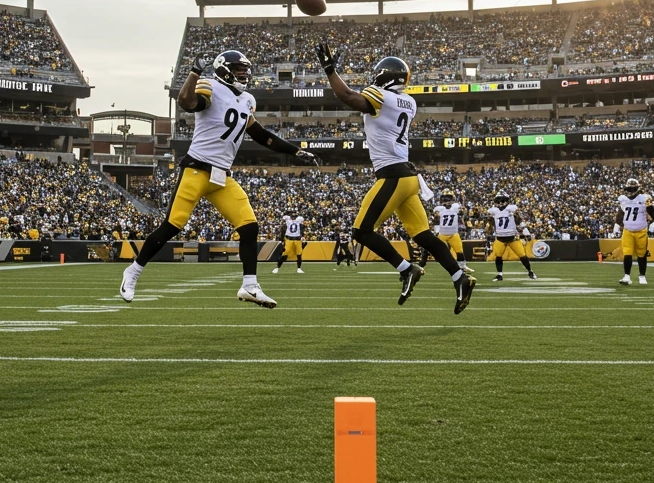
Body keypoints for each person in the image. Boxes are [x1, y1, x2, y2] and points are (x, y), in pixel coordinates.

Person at [119, 50, 318, 307]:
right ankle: (133, 271)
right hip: (197, 169)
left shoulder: (247, 100)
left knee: (249, 226)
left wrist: (296, 151)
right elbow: (187, 103)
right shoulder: (210, 87)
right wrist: (194, 72)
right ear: (224, 70)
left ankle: (249, 286)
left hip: (222, 175)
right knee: (173, 225)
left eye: (245, 70)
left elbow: (261, 135)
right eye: (238, 70)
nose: (244, 74)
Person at [316, 42, 475, 313]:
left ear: (384, 76)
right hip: (409, 177)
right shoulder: (409, 101)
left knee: (361, 231)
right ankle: (460, 277)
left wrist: (330, 70)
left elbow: (348, 96)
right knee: (423, 235)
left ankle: (406, 268)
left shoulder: (381, 96)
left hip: (393, 176)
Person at [486, 191, 538, 282]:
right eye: (498, 201)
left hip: (512, 238)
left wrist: (527, 233)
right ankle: (499, 274)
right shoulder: (494, 212)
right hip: (500, 239)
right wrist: (489, 234)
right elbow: (491, 225)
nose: (500, 203)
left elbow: (520, 223)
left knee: (522, 256)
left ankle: (530, 271)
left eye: (503, 201)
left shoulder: (511, 211)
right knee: (498, 256)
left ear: (507, 201)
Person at [617, 177, 654, 285]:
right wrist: (617, 224)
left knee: (642, 254)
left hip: (641, 230)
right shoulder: (623, 199)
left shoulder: (645, 198)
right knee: (627, 253)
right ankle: (626, 276)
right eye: (629, 189)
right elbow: (621, 213)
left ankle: (642, 276)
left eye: (632, 188)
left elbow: (651, 211)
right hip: (627, 230)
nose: (630, 191)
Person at [421, 187, 471, 275]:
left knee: (459, 250)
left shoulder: (456, 207)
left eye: (448, 199)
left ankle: (462, 267)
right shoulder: (439, 208)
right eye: (445, 199)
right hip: (442, 234)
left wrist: (463, 211)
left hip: (453, 234)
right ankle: (422, 263)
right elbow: (436, 216)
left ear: (452, 199)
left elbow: (464, 211)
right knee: (434, 249)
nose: (447, 201)